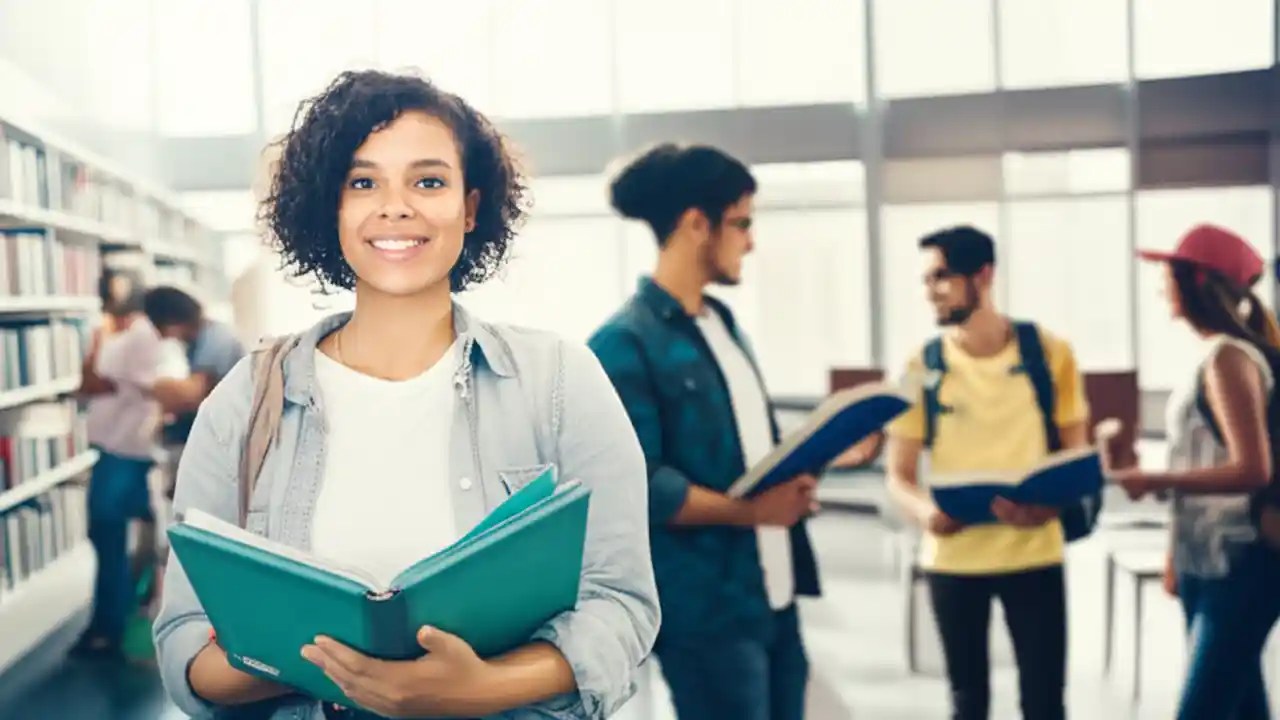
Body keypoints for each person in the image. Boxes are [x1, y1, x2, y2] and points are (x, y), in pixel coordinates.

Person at [152, 70, 658, 720]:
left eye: (428, 181)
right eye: (362, 182)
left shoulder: (560, 381)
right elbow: (183, 647)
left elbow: (622, 605)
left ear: (470, 207)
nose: (396, 206)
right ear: (328, 205)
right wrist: (329, 660)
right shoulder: (247, 400)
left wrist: (481, 687)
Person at [589, 143, 820, 720]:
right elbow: (640, 483)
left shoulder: (723, 324)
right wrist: (751, 513)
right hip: (705, 611)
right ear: (697, 224)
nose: (751, 240)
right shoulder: (623, 343)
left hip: (774, 592)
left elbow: (746, 446)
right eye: (741, 223)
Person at [884, 226, 1090, 720]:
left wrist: (1050, 505)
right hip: (953, 562)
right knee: (966, 703)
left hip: (1035, 555)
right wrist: (928, 514)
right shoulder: (921, 365)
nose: (929, 291)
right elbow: (899, 476)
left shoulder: (1049, 353)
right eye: (926, 279)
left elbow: (1076, 458)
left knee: (1045, 705)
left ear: (984, 275)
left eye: (942, 277)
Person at [1113, 224, 1280, 720]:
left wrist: (1156, 482)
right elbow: (1200, 459)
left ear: (1200, 282)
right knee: (1243, 707)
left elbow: (1252, 469)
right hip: (1204, 561)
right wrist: (1175, 555)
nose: (1162, 284)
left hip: (1242, 563)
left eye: (1169, 274)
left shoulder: (1230, 358)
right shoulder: (1210, 356)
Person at [74, 268, 163, 656]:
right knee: (114, 540)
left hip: (125, 451)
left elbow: (92, 383)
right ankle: (116, 621)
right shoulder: (125, 334)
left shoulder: (136, 336)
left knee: (108, 537)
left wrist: (97, 341)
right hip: (116, 449)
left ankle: (110, 627)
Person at [141, 285, 246, 495]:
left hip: (230, 441)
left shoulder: (217, 340)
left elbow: (192, 394)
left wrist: (150, 385)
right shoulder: (201, 339)